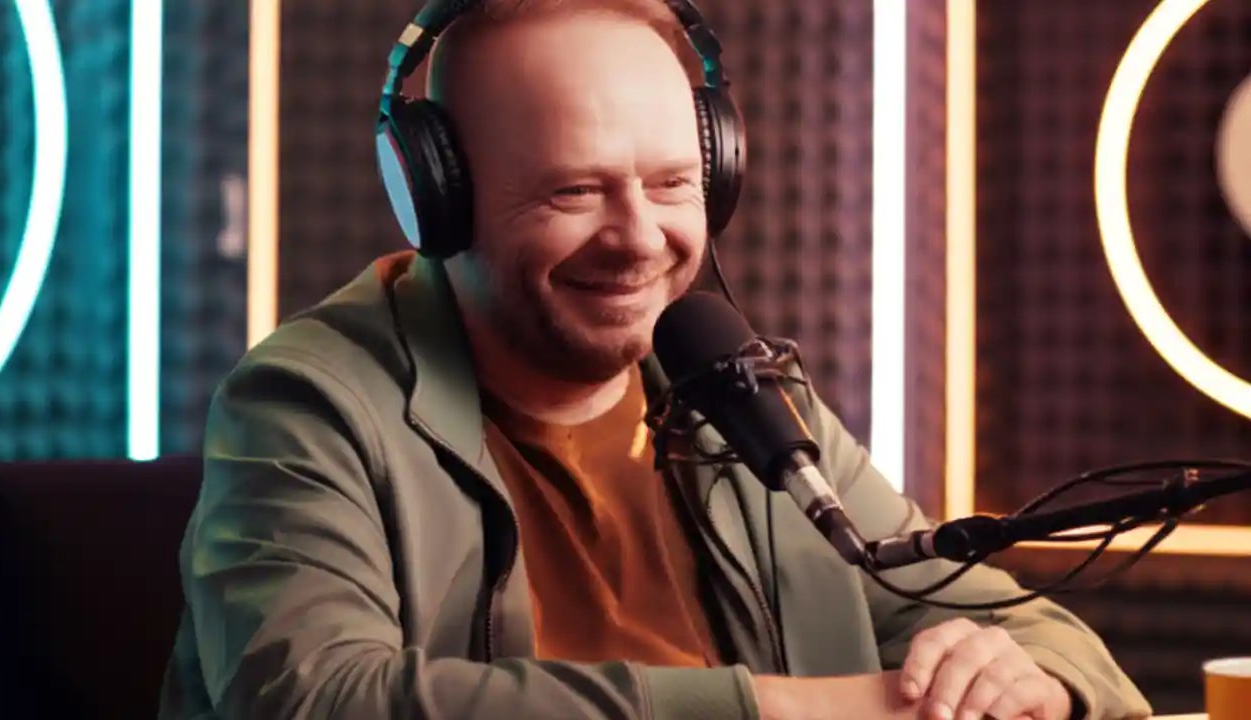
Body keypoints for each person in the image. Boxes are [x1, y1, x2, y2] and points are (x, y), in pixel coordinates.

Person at [159, 1, 1152, 718]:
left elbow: (1036, 638)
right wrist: (793, 711)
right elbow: (316, 698)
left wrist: (1033, 681)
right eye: (573, 193)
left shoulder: (736, 392)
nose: (639, 239)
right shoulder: (307, 403)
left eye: (672, 182)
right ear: (437, 199)